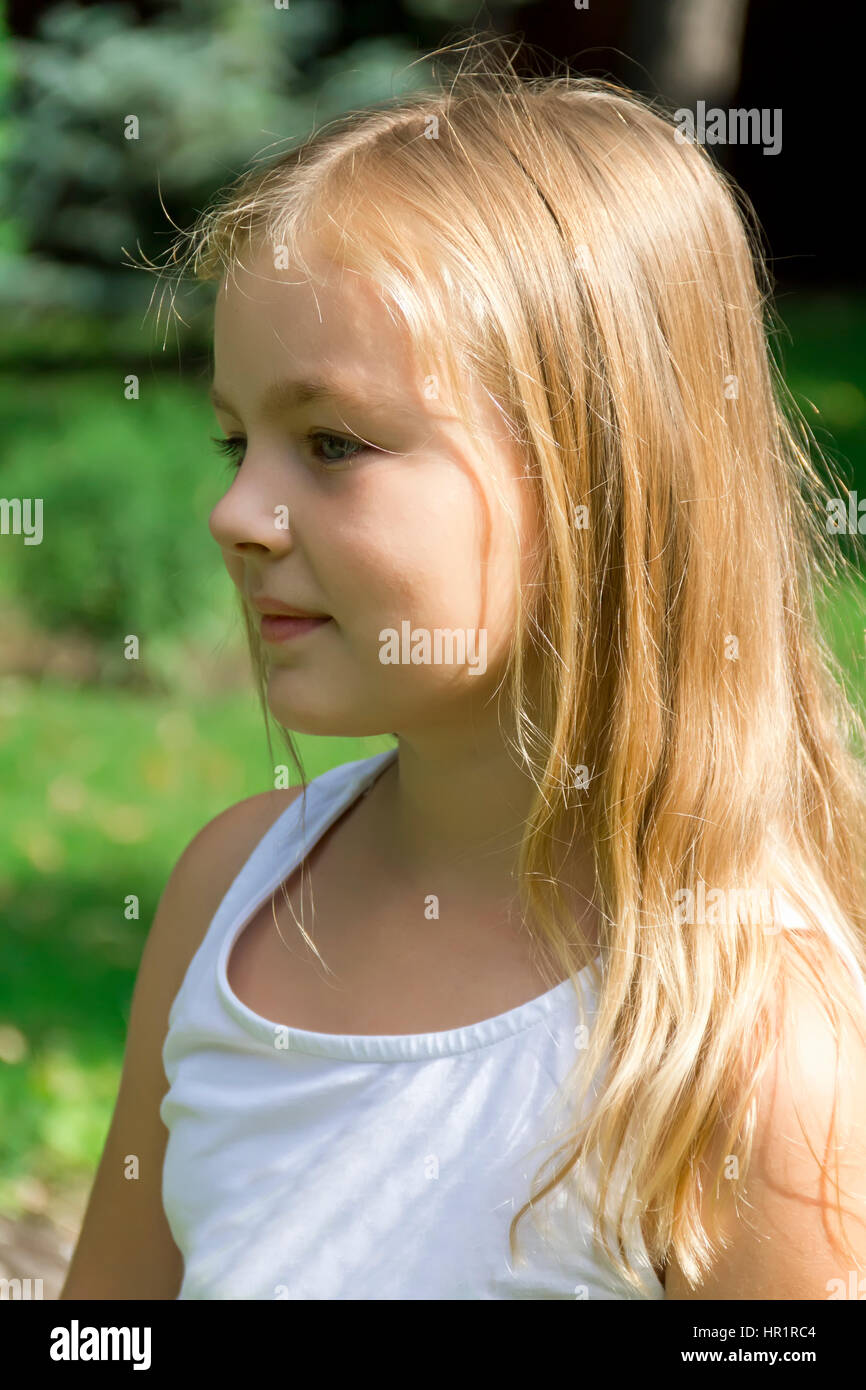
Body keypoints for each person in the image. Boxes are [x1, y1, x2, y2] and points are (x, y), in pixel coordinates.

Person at [60, 37, 866, 1300]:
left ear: (600, 481)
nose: (235, 513)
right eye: (235, 440)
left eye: (329, 442)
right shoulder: (231, 898)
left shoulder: (739, 1045)